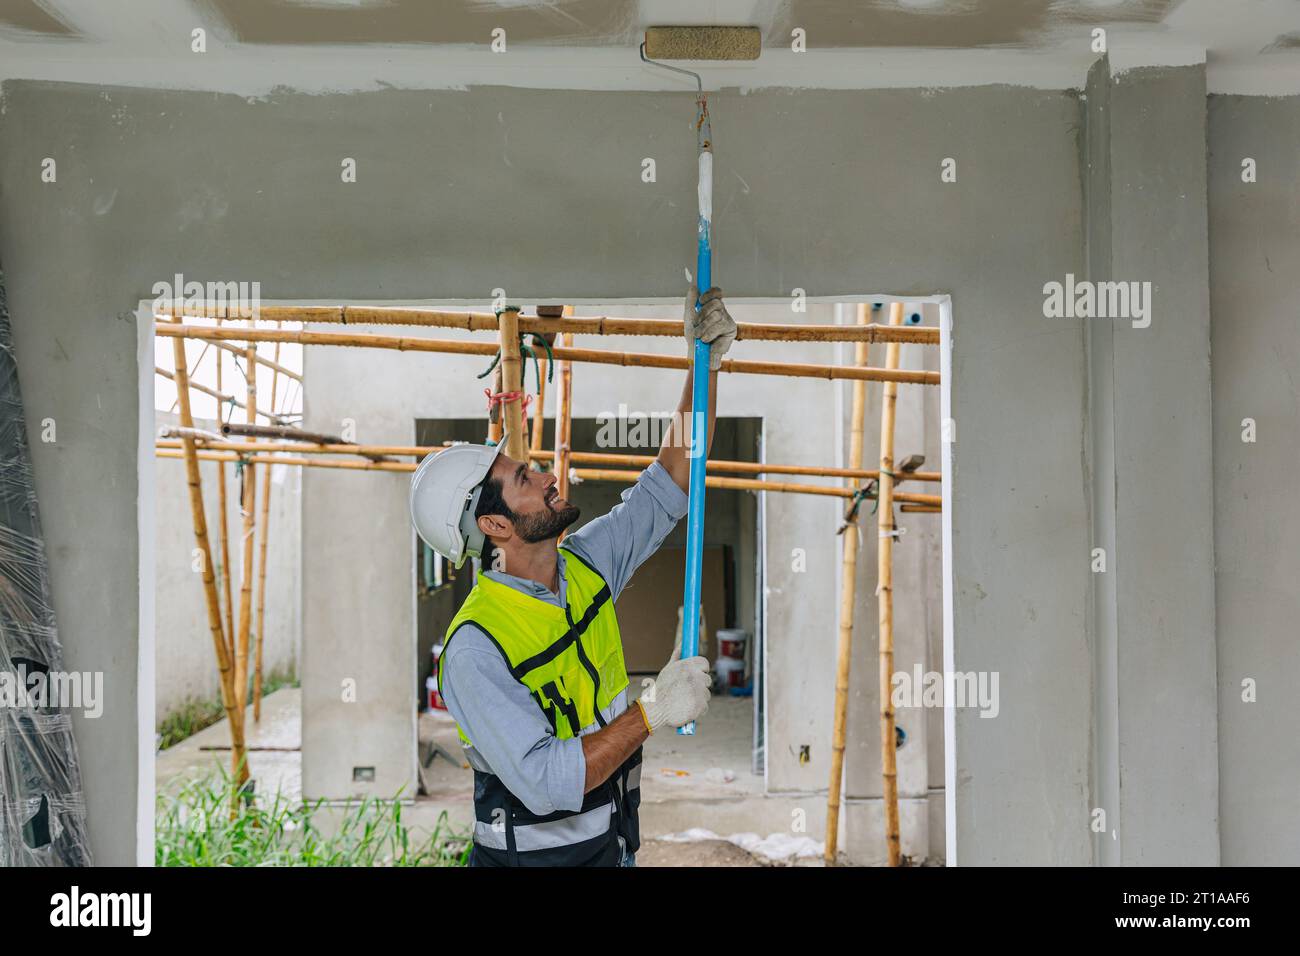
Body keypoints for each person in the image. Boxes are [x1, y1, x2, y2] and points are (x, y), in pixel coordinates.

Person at [409, 287, 737, 867]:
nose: (545, 480)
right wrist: (653, 710)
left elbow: (671, 482)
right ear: (494, 524)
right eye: (524, 482)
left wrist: (704, 367)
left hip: (609, 844)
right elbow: (547, 780)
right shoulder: (474, 649)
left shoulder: (584, 564)